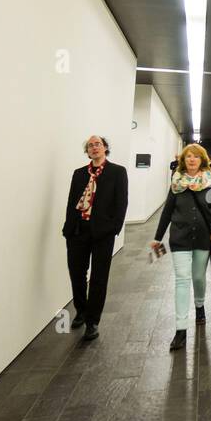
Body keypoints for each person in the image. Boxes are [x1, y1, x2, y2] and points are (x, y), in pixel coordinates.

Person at [150, 144, 211, 352]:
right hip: (179, 238)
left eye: (195, 157)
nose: (191, 159)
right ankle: (180, 329)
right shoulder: (176, 182)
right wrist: (157, 238)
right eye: (188, 156)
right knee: (182, 280)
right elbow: (167, 211)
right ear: (183, 160)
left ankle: (199, 305)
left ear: (202, 160)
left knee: (198, 277)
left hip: (202, 238)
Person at [61, 134, 129, 342]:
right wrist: (68, 228)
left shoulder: (117, 172)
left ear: (105, 148)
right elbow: (72, 201)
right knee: (76, 272)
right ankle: (81, 310)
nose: (94, 148)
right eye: (90, 146)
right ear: (87, 151)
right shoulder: (79, 174)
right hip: (78, 230)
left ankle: (93, 322)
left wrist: (114, 228)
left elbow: (121, 202)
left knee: (99, 277)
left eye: (97, 144)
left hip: (103, 233)